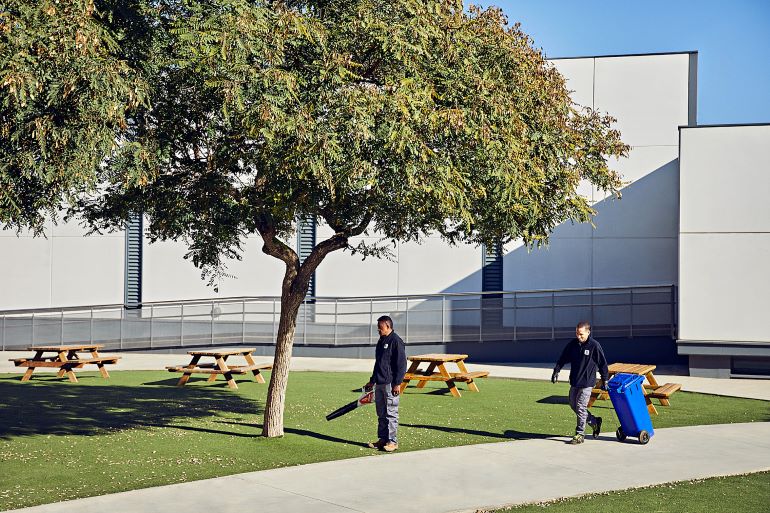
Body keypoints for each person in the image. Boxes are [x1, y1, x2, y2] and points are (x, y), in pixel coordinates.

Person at [551, 321, 609, 444]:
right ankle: (594, 421)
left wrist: (605, 380)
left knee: (581, 407)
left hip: (587, 382)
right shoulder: (573, 344)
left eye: (581, 334)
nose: (578, 336)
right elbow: (563, 357)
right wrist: (556, 370)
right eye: (577, 333)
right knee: (573, 405)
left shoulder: (594, 346)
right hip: (575, 381)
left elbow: (603, 364)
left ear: (588, 332)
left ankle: (580, 434)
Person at [364, 315, 407, 452]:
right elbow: (378, 363)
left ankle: (392, 442)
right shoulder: (381, 341)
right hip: (379, 383)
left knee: (391, 413)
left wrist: (397, 383)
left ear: (388, 326)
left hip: (390, 384)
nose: (378, 329)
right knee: (381, 413)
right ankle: (383, 439)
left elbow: (401, 365)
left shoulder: (396, 341)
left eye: (380, 327)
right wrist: (372, 381)